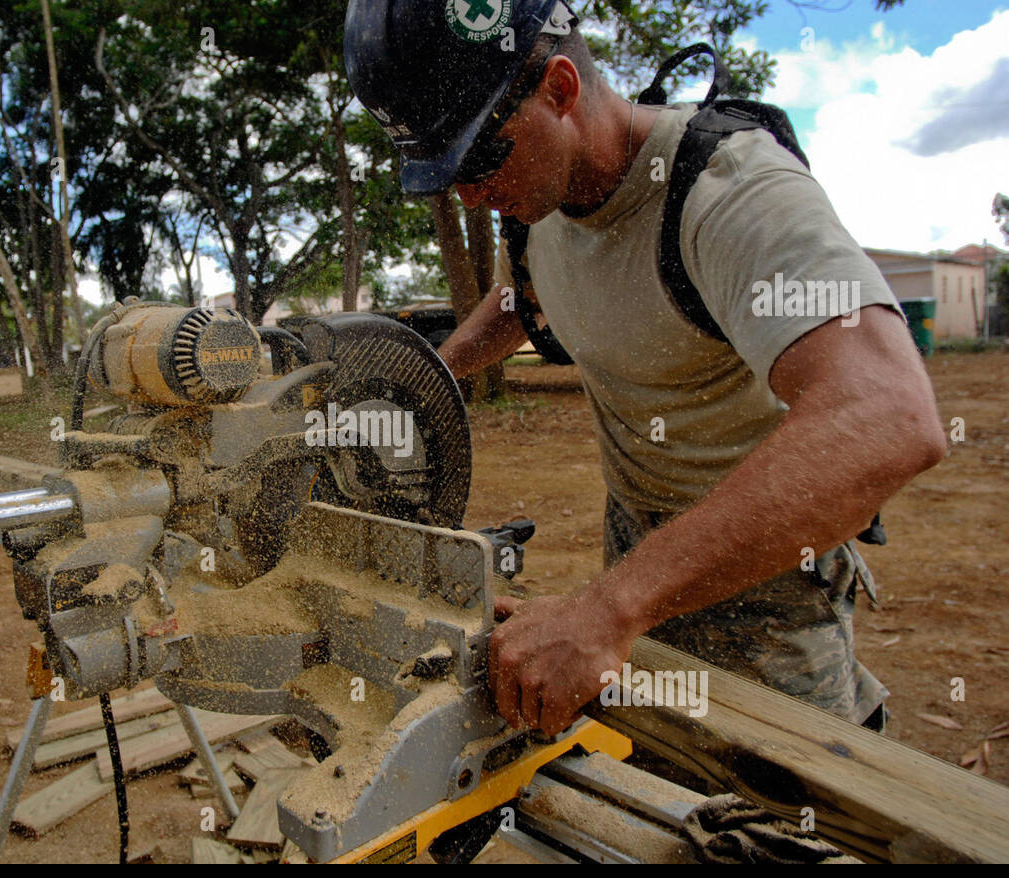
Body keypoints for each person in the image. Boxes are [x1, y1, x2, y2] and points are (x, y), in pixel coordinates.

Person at [344, 0, 946, 737]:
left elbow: (889, 414)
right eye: (446, 173)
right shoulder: (540, 205)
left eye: (478, 157)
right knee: (655, 782)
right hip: (636, 549)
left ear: (560, 89)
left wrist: (608, 608)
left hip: (765, 578)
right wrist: (432, 377)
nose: (467, 192)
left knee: (785, 809)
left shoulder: (726, 190)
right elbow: (524, 295)